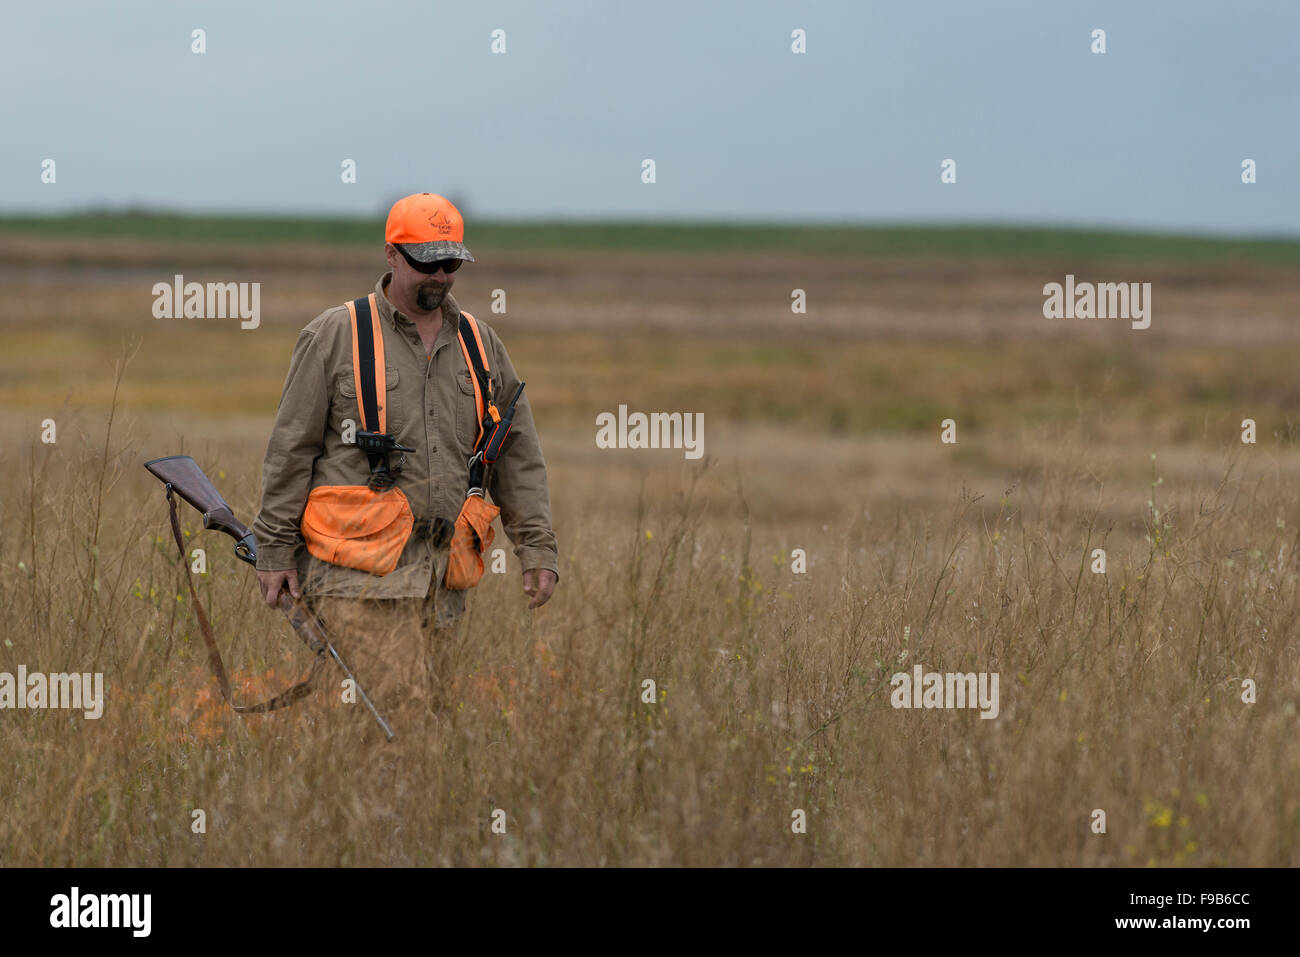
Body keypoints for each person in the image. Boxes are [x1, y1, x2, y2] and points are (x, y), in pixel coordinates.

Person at [250, 193, 558, 730]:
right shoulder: (334, 334)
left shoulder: (481, 345)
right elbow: (291, 449)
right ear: (392, 255)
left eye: (451, 263)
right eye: (425, 262)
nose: (440, 275)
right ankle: (388, 815)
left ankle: (386, 815)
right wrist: (273, 550)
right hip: (357, 576)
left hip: (444, 578)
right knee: (400, 717)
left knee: (432, 722)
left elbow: (519, 456)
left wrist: (537, 549)